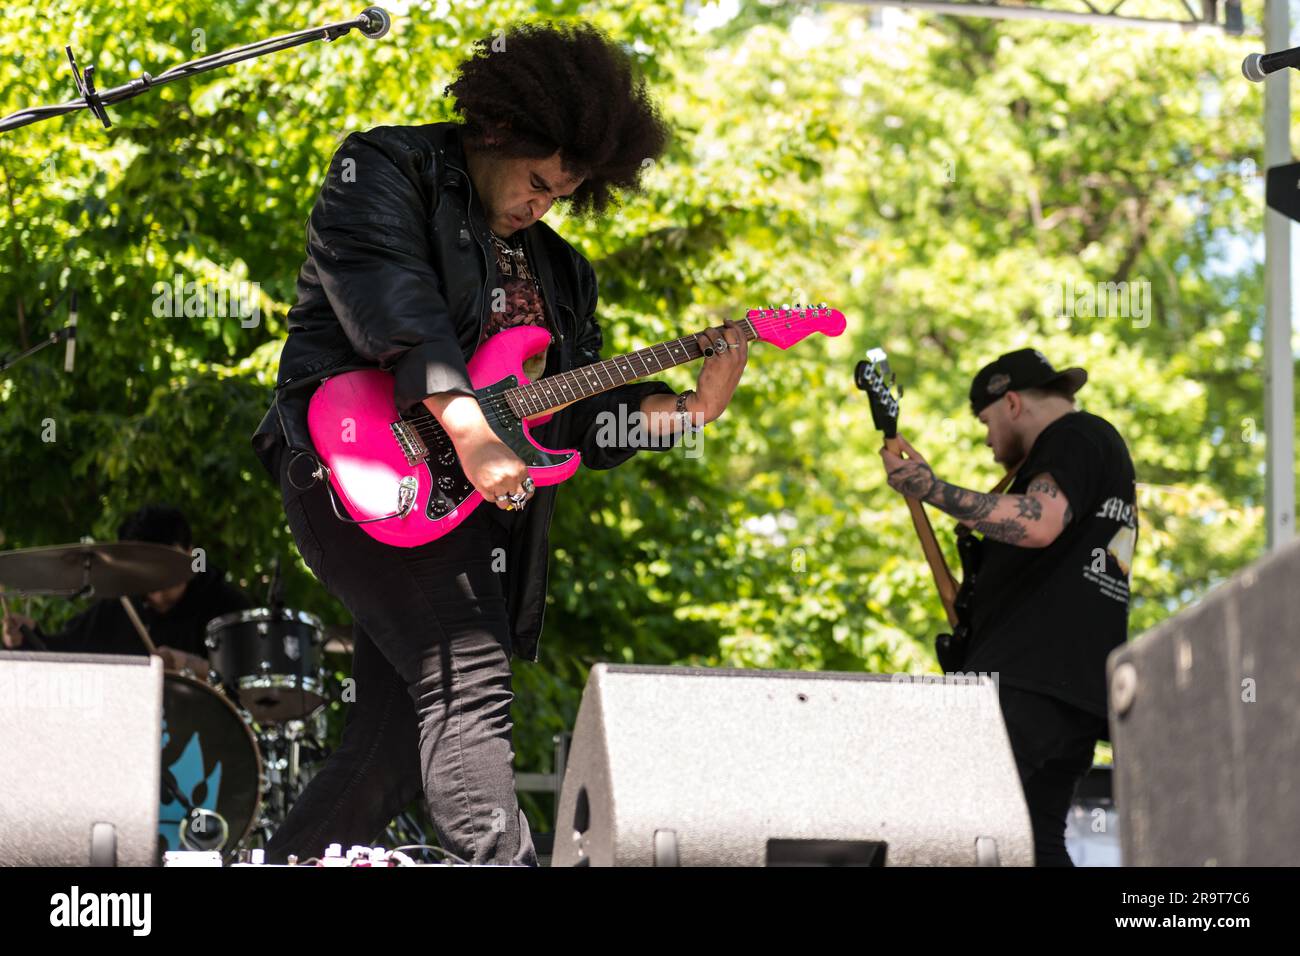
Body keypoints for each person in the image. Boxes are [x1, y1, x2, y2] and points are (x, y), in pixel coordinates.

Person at [250, 21, 749, 865]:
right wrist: (474, 434)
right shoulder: (384, 170)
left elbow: (576, 417)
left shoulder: (562, 273)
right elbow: (394, 310)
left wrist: (684, 413)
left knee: (392, 746)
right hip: (356, 460)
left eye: (562, 193)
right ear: (493, 131)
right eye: (536, 179)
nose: (540, 204)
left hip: (464, 513)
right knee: (470, 681)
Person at [880, 348, 1137, 866]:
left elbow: (1039, 521)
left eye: (985, 420)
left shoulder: (1074, 437)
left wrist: (931, 489)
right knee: (1032, 843)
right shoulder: (1091, 450)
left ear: (1012, 402)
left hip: (1029, 683)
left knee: (939, 830)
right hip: (1069, 691)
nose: (987, 438)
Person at [1, 504, 252, 677]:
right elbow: (65, 653)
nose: (155, 573)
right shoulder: (119, 605)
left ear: (189, 552)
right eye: (145, 563)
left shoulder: (226, 606)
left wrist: (189, 666)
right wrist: (29, 637)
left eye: (163, 560)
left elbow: (251, 684)